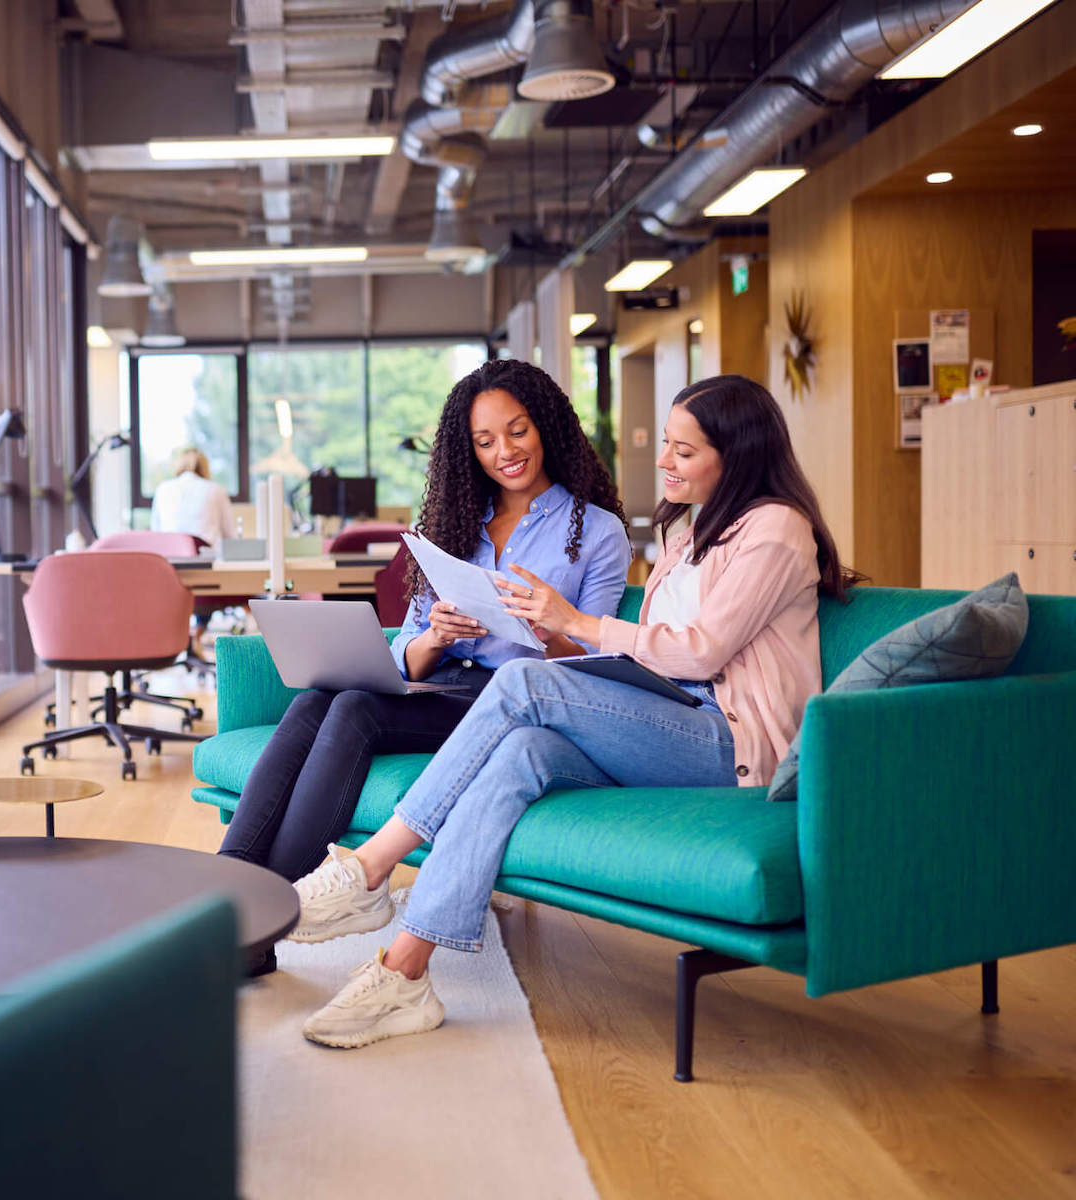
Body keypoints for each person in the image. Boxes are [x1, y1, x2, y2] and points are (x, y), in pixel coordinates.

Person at [288, 374, 857, 1048]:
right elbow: (659, 660)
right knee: (521, 749)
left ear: (738, 454)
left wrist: (574, 624)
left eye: (683, 450)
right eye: (667, 445)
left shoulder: (775, 530)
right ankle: (405, 974)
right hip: (670, 717)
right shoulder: (692, 534)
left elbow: (702, 654)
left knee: (528, 683)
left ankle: (371, 866)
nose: (664, 461)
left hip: (730, 742)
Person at [217, 360, 629, 955]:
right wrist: (435, 635)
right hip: (442, 685)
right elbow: (406, 653)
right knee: (314, 701)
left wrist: (538, 624)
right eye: (485, 441)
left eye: (517, 431)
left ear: (547, 428)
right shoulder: (457, 520)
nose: (504, 452)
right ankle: (226, 892)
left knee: (356, 708)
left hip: (509, 698)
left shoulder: (596, 531)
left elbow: (592, 665)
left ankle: (264, 918)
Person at [150, 446, 233, 549]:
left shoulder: (162, 489)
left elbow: (156, 531)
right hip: (208, 558)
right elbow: (228, 533)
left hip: (170, 557)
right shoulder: (216, 489)